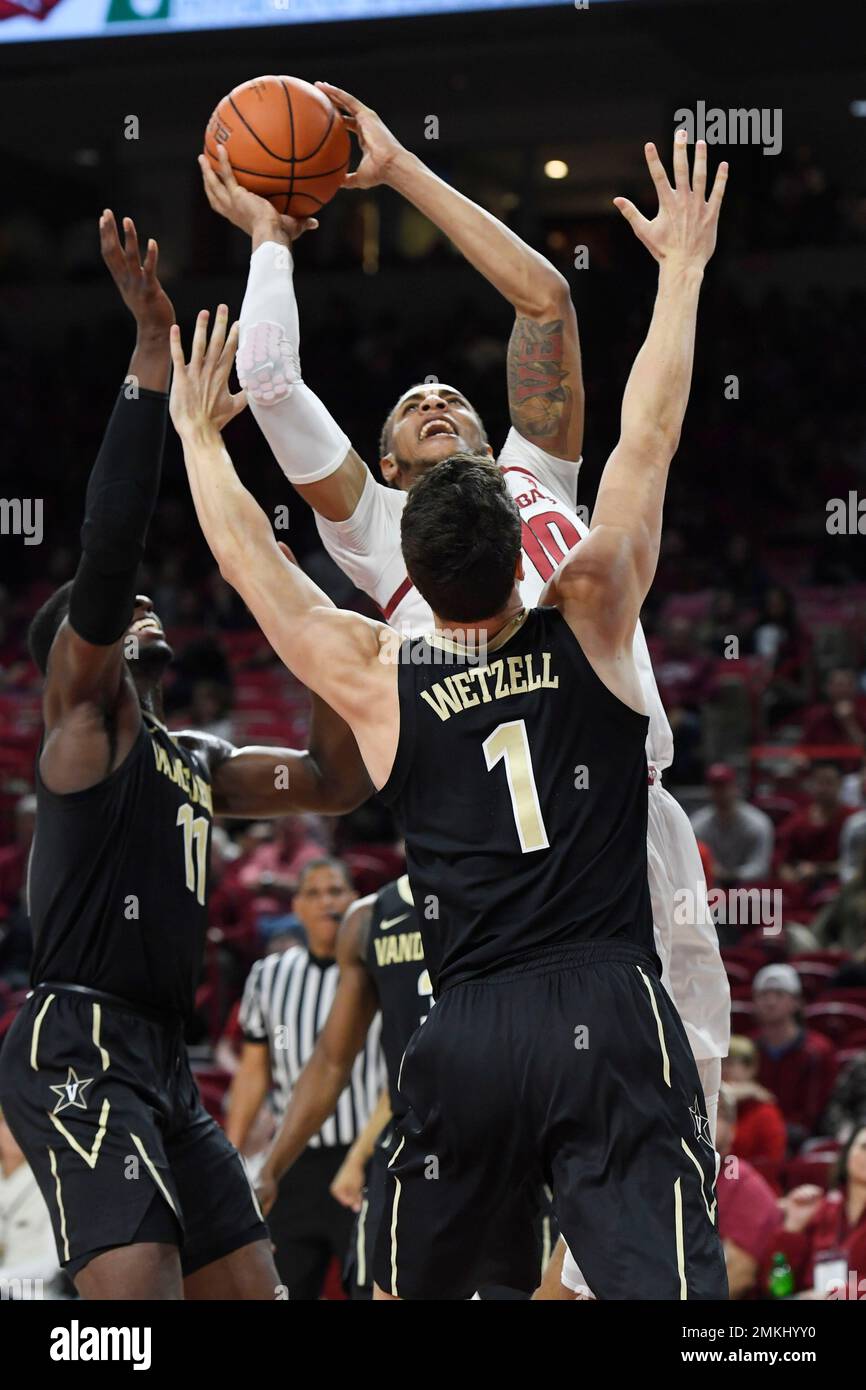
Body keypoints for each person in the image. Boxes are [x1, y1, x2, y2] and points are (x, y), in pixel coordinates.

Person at [171, 131, 729, 1300]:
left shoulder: (538, 473)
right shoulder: (375, 528)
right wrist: (270, 242)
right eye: (410, 403)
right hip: (536, 867)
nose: (433, 396)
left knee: (675, 1142)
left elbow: (543, 296)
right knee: (618, 1166)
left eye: (449, 395)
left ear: (493, 439)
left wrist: (396, 171)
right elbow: (271, 384)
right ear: (378, 465)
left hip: (625, 827)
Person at [0, 212, 372, 1302]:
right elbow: (109, 549)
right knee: (131, 1319)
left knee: (252, 1292)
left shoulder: (195, 758)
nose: (146, 606)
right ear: (80, 655)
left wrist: (316, 598)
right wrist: (152, 352)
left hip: (164, 1058)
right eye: (118, 616)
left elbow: (336, 781)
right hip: (78, 1044)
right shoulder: (86, 723)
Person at [254, 873, 552, 1299]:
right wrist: (271, 1167)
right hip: (408, 1153)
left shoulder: (516, 892)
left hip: (509, 1152)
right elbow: (332, 1060)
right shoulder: (369, 919)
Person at [225, 857, 384, 1298]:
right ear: (295, 907)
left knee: (370, 1288)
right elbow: (254, 1070)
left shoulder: (381, 969)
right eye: (313, 893)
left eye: (336, 891)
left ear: (354, 901)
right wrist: (236, 1157)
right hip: (293, 1159)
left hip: (363, 1161)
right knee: (283, 1289)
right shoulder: (268, 975)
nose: (326, 902)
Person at [766, 1125, 866, 1297]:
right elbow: (770, 1284)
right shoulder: (821, 1208)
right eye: (864, 1147)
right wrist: (793, 1227)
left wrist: (829, 1295)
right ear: (847, 1153)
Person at [752, 964, 838, 1148]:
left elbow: (813, 1117)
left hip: (801, 1140)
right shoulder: (750, 1047)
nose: (770, 1001)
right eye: (763, 995)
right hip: (760, 1132)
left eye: (779, 995)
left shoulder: (817, 1051)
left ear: (796, 1002)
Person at [714, 1088, 783, 1299]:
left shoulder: (743, 1184)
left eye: (716, 1112)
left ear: (732, 1130)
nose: (700, 1119)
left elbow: (736, 1277)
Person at [0, 1107, 63, 1296]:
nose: (13, 1132)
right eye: (6, 1122)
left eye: (21, 1123)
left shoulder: (52, 1182)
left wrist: (3, 1278)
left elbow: (53, 1262)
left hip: (33, 1293)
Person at [776, 762, 853, 907]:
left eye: (829, 782)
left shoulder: (854, 820)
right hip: (801, 885)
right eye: (819, 782)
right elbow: (783, 861)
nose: (824, 788)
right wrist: (789, 875)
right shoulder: (797, 821)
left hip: (839, 885)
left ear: (841, 784)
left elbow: (855, 866)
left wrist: (819, 870)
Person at [690, 763, 775, 885]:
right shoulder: (697, 824)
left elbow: (760, 868)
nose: (720, 792)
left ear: (736, 787)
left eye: (724, 786)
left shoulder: (758, 823)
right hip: (710, 889)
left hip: (748, 891)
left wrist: (729, 875)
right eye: (715, 787)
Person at [721, 1035, 787, 1189]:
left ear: (751, 1068)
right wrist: (727, 1094)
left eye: (730, 1063)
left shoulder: (765, 1112)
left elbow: (770, 1165)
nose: (723, 1069)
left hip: (753, 1188)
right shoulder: (708, 1104)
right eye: (720, 1062)